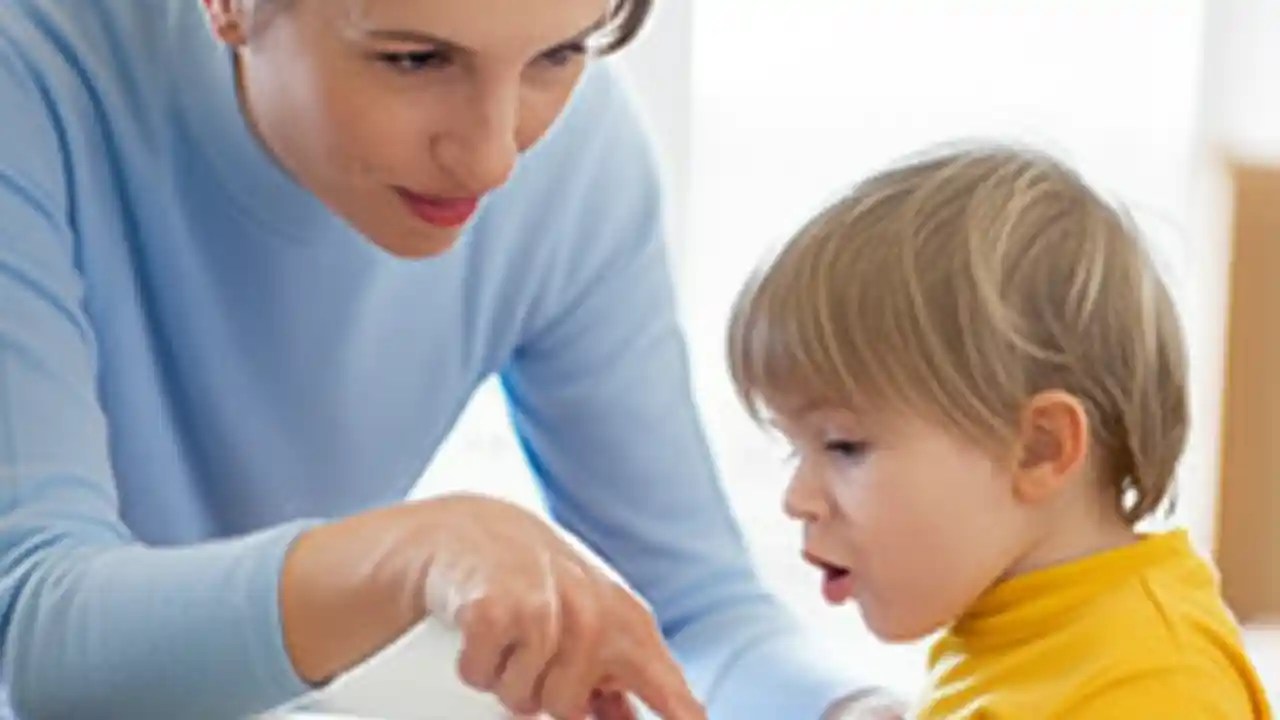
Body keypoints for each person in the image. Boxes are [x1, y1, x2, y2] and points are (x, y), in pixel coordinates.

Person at [0, 0, 893, 717]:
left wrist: (856, 711)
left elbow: (695, 614)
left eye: (560, 53)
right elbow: (34, 638)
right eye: (414, 60)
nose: (495, 156)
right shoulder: (31, 78)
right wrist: (421, 551)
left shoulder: (580, 163)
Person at [727, 143, 1275, 718]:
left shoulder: (1152, 685)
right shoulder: (1009, 631)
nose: (797, 499)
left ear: (1040, 449)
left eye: (844, 446)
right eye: (796, 449)